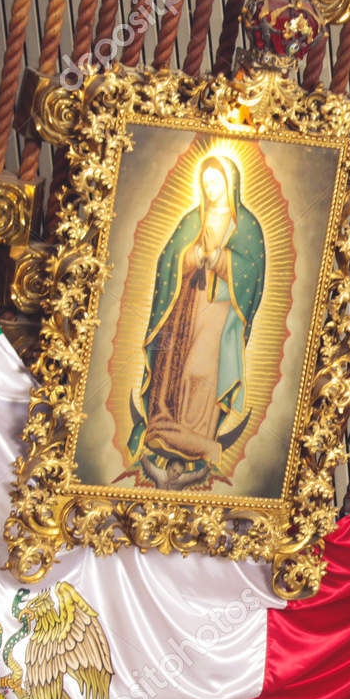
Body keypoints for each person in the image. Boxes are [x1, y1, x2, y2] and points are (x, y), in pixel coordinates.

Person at [129, 154, 266, 487]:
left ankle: (198, 436)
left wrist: (219, 259)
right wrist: (193, 256)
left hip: (220, 311)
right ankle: (168, 427)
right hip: (185, 309)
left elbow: (252, 273)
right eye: (206, 183)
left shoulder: (246, 226)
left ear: (230, 183)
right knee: (174, 366)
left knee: (200, 370)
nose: (211, 188)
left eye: (216, 182)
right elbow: (169, 260)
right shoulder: (194, 218)